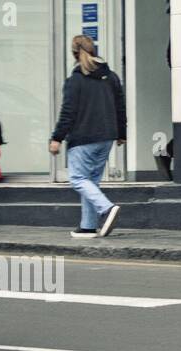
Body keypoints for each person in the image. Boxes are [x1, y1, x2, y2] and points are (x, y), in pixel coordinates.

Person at [50, 35, 125, 239]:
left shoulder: (75, 80)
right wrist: (121, 133)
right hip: (107, 137)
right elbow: (120, 106)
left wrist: (57, 138)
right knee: (91, 181)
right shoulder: (111, 76)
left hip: (83, 138)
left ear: (74, 53)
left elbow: (68, 112)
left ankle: (107, 208)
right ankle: (88, 226)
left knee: (78, 178)